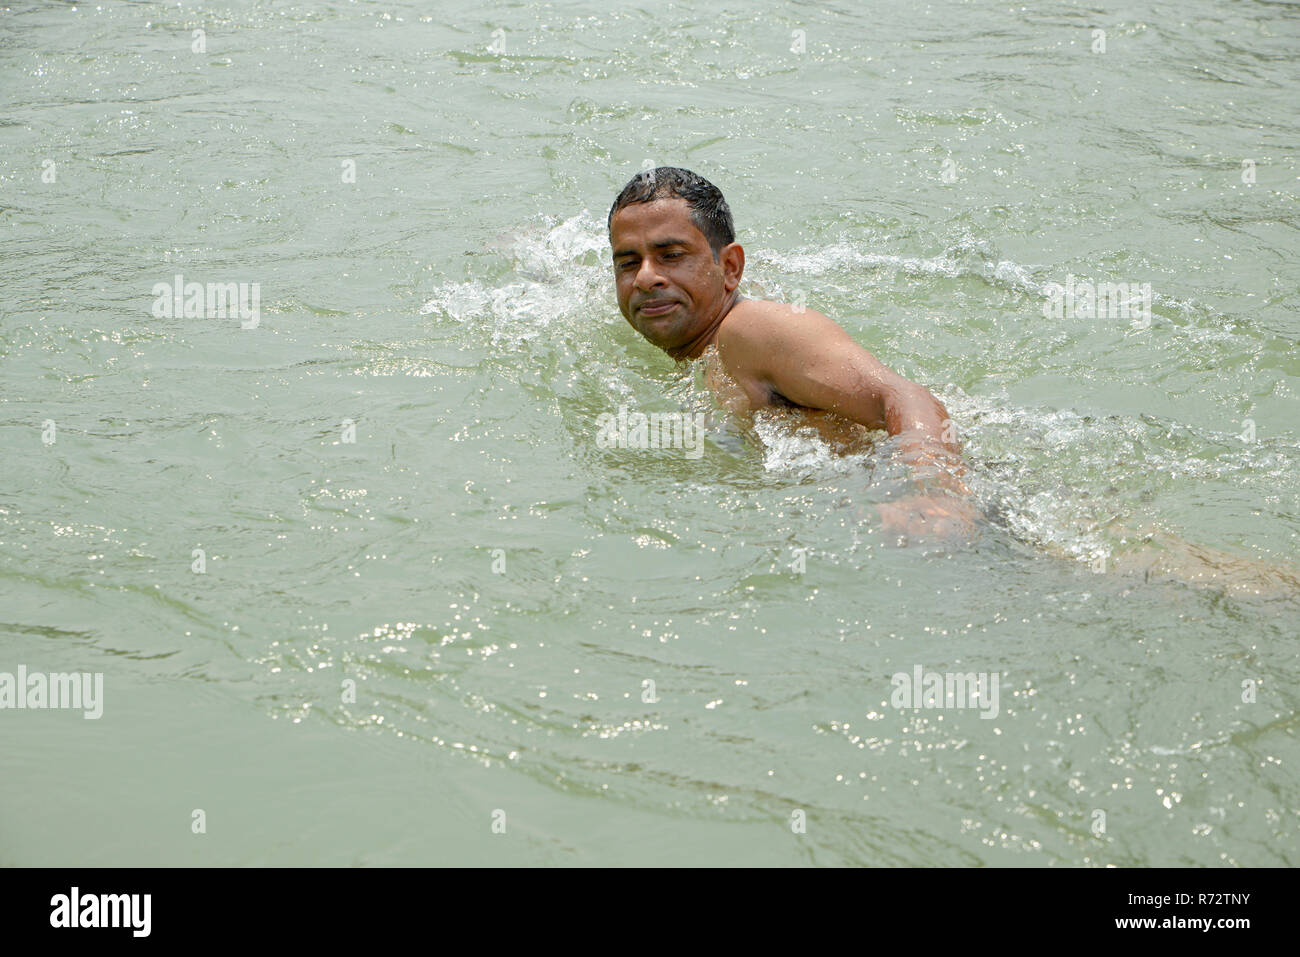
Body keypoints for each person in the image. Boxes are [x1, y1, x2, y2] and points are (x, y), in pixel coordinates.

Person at [607, 166, 976, 540]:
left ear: (730, 267)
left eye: (670, 255)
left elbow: (902, 395)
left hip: (949, 526)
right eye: (628, 262)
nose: (644, 277)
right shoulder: (706, 348)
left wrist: (933, 495)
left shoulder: (750, 330)